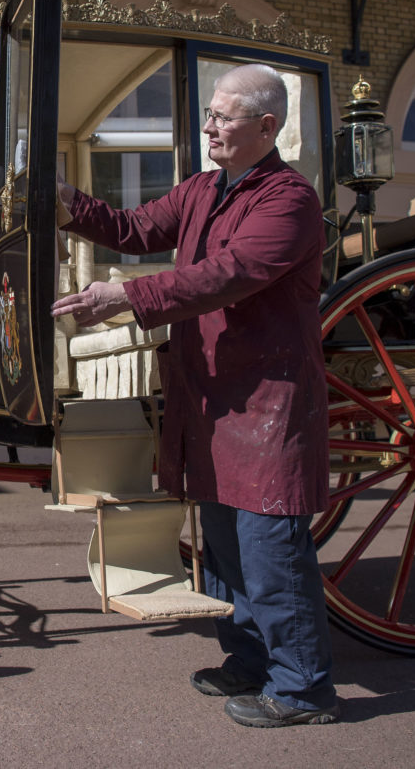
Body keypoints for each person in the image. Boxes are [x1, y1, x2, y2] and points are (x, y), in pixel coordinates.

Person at [50, 63, 339, 728]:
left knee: (271, 551)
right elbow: (132, 228)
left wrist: (123, 295)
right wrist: (65, 200)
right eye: (209, 112)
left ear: (267, 127)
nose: (208, 125)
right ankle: (247, 662)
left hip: (269, 403)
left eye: (224, 115)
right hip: (213, 399)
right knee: (227, 551)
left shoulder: (290, 201)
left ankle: (303, 689)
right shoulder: (203, 189)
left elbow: (225, 275)